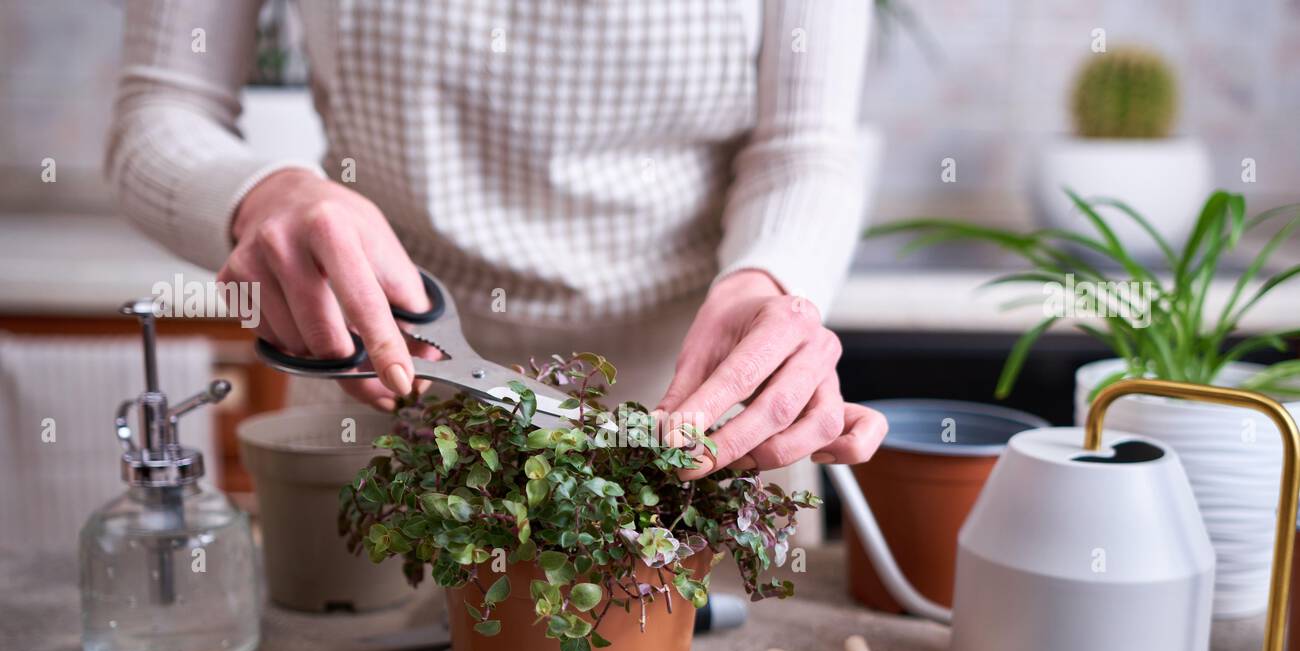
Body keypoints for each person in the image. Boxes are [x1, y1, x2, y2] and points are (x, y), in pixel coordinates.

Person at [107, 0, 886, 479]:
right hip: (388, 369)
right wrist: (262, 196)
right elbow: (160, 111)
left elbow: (805, 147)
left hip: (698, 405)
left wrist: (769, 283)